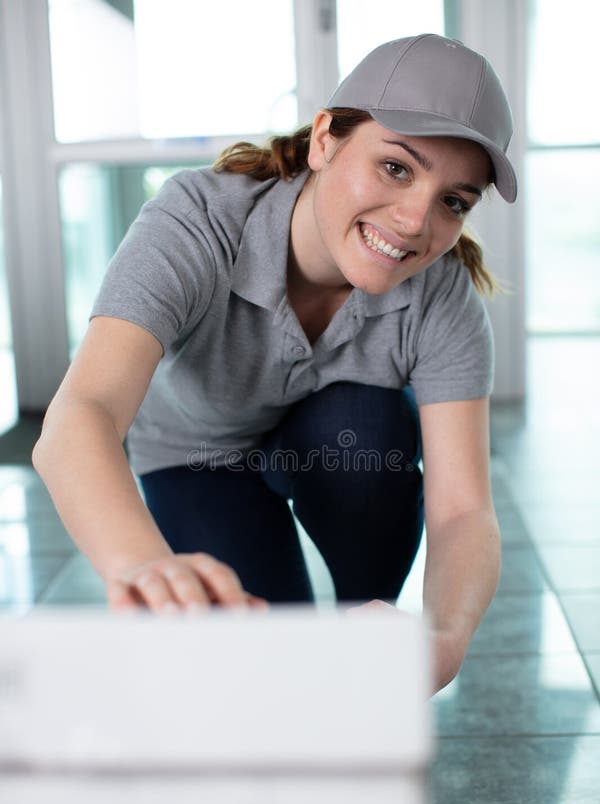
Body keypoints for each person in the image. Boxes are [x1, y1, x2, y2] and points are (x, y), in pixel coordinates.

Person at [33, 33, 516, 693]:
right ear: (325, 140)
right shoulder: (197, 221)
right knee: (265, 670)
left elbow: (464, 511)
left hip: (339, 449)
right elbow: (80, 415)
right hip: (195, 455)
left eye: (453, 201)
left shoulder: (440, 295)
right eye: (397, 168)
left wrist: (442, 637)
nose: (413, 221)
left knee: (364, 421)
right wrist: (143, 566)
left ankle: (361, 636)